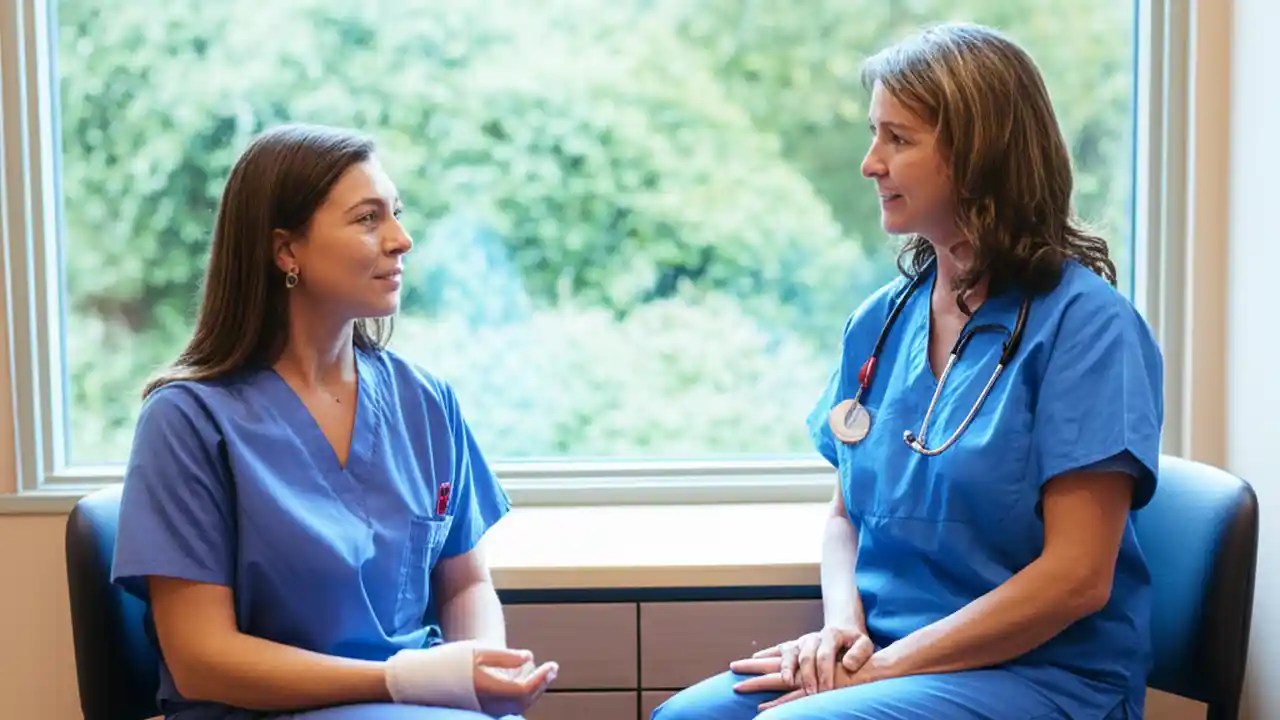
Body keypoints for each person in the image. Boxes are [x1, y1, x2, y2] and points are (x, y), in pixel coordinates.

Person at [652, 22, 1162, 720]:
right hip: (892, 655)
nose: (870, 162)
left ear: (979, 156)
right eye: (874, 134)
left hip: (1043, 675)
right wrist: (842, 633)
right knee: (686, 719)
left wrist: (884, 669)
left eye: (898, 138)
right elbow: (844, 518)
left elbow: (1077, 580)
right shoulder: (880, 321)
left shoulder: (1089, 330)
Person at [112, 124, 558, 719]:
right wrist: (404, 680)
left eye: (396, 213)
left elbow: (466, 584)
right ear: (286, 250)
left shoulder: (424, 401)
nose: (402, 240)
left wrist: (478, 678)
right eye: (368, 219)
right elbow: (201, 658)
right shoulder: (188, 421)